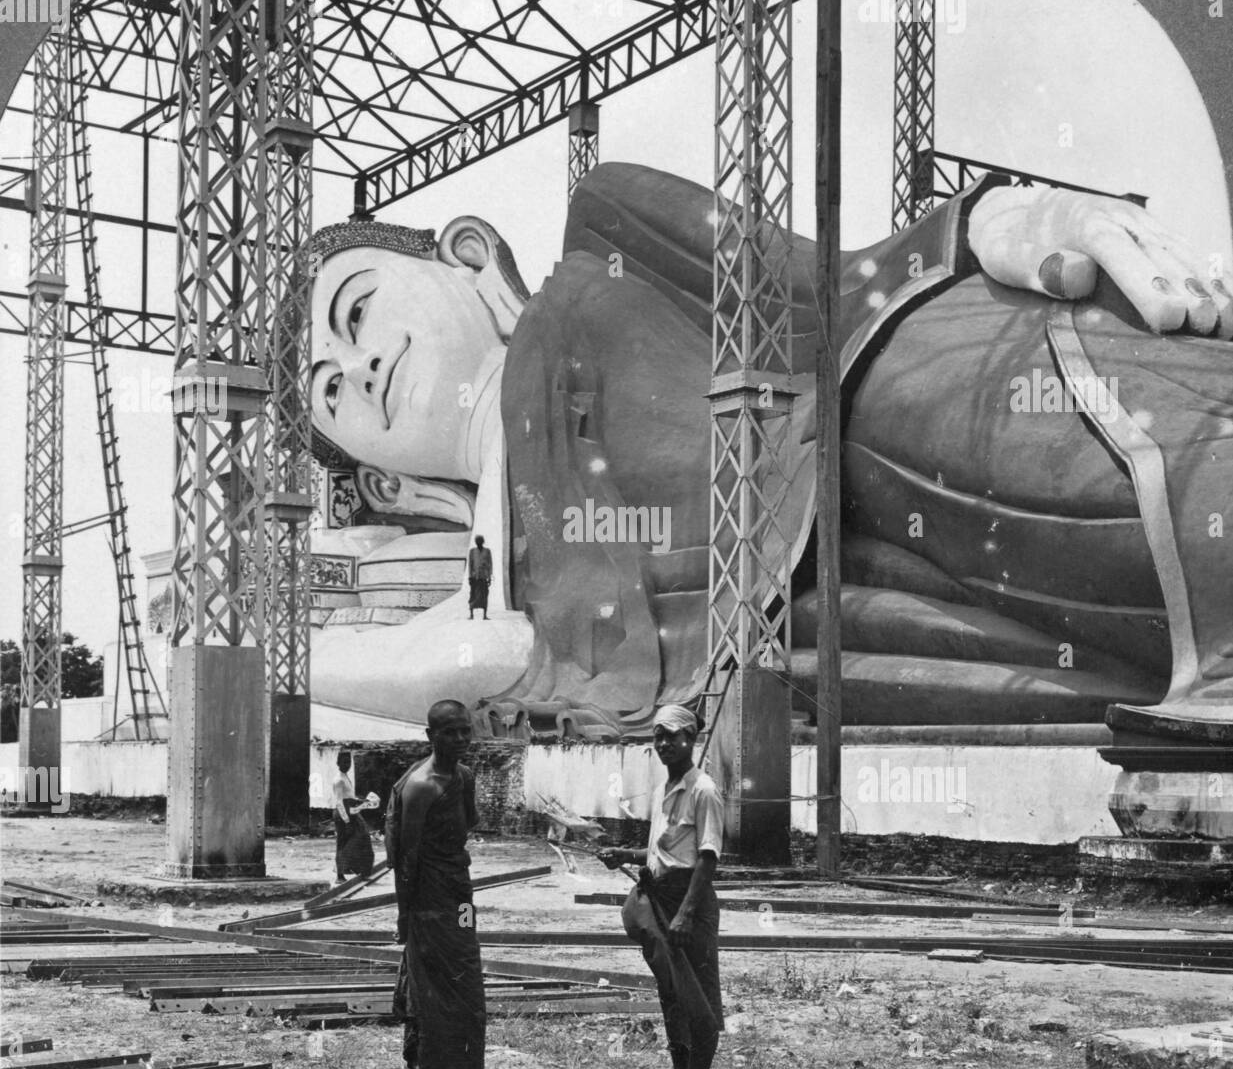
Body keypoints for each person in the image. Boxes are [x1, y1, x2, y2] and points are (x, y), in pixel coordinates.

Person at [308, 164, 1233, 743]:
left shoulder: (607, 229)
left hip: (878, 401)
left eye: (356, 311)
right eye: (331, 392)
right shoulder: (500, 576)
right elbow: (481, 660)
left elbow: (819, 280)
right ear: (384, 476)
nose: (358, 365)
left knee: (1144, 470)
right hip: (845, 610)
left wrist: (988, 219)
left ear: (466, 257)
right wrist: (269, 655)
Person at [598, 704, 724, 1069]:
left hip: (690, 905)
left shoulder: (703, 790)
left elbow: (706, 858)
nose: (665, 743)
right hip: (661, 898)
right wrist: (626, 854)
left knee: (697, 996)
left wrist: (686, 914)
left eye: (674, 736)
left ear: (692, 740)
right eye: (659, 736)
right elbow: (663, 853)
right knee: (672, 994)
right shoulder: (662, 791)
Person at [384, 699, 486, 1069]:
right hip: (429, 904)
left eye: (465, 731)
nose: (460, 739)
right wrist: (406, 919)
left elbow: (464, 833)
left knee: (465, 976)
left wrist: (465, 913)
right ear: (431, 736)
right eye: (450, 732)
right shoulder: (421, 786)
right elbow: (406, 861)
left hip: (460, 900)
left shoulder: (463, 778)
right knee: (437, 992)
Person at [331, 750, 375, 882]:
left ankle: (361, 871)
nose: (347, 764)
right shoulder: (338, 780)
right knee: (343, 843)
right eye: (344, 762)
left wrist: (359, 801)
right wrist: (347, 821)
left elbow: (349, 796)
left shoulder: (346, 777)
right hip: (343, 813)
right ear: (338, 763)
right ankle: (340, 875)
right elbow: (339, 802)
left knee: (363, 838)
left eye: (349, 762)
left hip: (352, 810)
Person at [468, 534, 493, 620]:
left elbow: (490, 564)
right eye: (477, 541)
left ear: (483, 542)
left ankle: (484, 615)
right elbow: (470, 565)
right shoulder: (472, 551)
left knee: (484, 595)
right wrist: (470, 576)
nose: (478, 543)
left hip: (483, 577)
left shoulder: (487, 551)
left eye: (480, 541)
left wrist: (489, 577)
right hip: (475, 577)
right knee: (473, 594)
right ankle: (471, 614)